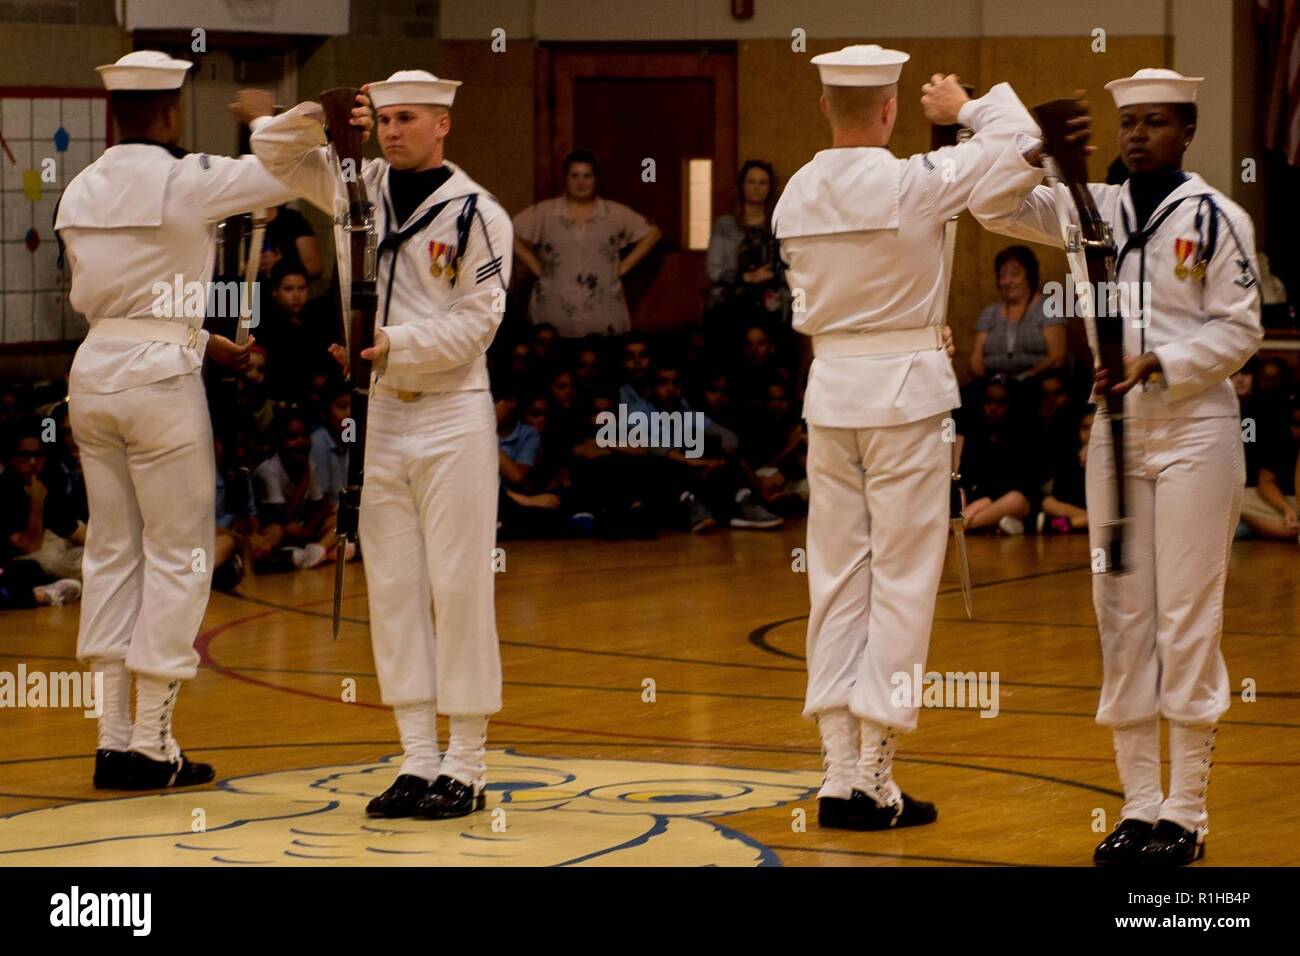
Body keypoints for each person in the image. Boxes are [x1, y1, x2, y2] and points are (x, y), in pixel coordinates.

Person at [969, 68, 1264, 865]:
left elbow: (1241, 329)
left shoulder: (1213, 216)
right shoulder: (1086, 207)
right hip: (1114, 434)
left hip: (1195, 429)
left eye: (1156, 122)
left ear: (1188, 131)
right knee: (1122, 616)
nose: (1138, 134)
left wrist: (1159, 363)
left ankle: (1188, 813)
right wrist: (1035, 157)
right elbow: (990, 206)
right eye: (1128, 122)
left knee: (1186, 617)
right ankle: (1137, 805)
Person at [54, 51, 359, 790]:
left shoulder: (80, 188)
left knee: (113, 555)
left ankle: (114, 740)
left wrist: (201, 336)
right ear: (167, 113)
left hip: (94, 375)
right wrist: (285, 114)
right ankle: (153, 745)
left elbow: (124, 294)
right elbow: (287, 167)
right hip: (159, 383)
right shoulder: (189, 179)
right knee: (181, 555)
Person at [772, 44, 1036, 831]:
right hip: (908, 398)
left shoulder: (793, 194)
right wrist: (966, 107)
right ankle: (875, 776)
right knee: (900, 587)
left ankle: (835, 772)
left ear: (826, 106)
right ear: (890, 109)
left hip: (832, 397)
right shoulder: (917, 182)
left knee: (836, 582)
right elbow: (1023, 145)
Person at [251, 69, 512, 820]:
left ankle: (466, 761)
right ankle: (415, 756)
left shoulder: (475, 211)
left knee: (460, 588)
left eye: (405, 119)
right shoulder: (353, 185)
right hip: (381, 415)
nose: (391, 131)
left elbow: (478, 321)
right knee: (393, 588)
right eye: (383, 119)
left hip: (451, 411)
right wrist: (324, 113)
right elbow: (269, 149)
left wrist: (391, 343)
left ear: (442, 126)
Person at [512, 149, 662, 337]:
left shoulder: (613, 213)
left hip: (603, 316)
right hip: (553, 315)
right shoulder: (545, 213)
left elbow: (653, 233)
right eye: (574, 176)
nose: (580, 182)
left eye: (587, 176)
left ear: (595, 179)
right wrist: (534, 265)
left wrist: (624, 266)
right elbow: (506, 231)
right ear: (565, 178)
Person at [968, 245, 1066, 379]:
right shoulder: (989, 312)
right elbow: (976, 359)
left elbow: (1056, 356)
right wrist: (990, 383)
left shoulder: (1048, 307)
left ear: (1030, 275)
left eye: (1015, 274)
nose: (1007, 281)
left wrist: (1024, 378)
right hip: (994, 385)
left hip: (1037, 382)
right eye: (1002, 275)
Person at [706, 160, 786, 322]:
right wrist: (748, 277)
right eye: (751, 181)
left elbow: (790, 265)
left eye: (762, 182)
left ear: (770, 187)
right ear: (742, 185)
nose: (757, 187)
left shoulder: (780, 224)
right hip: (731, 297)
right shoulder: (725, 225)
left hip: (772, 299)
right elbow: (713, 270)